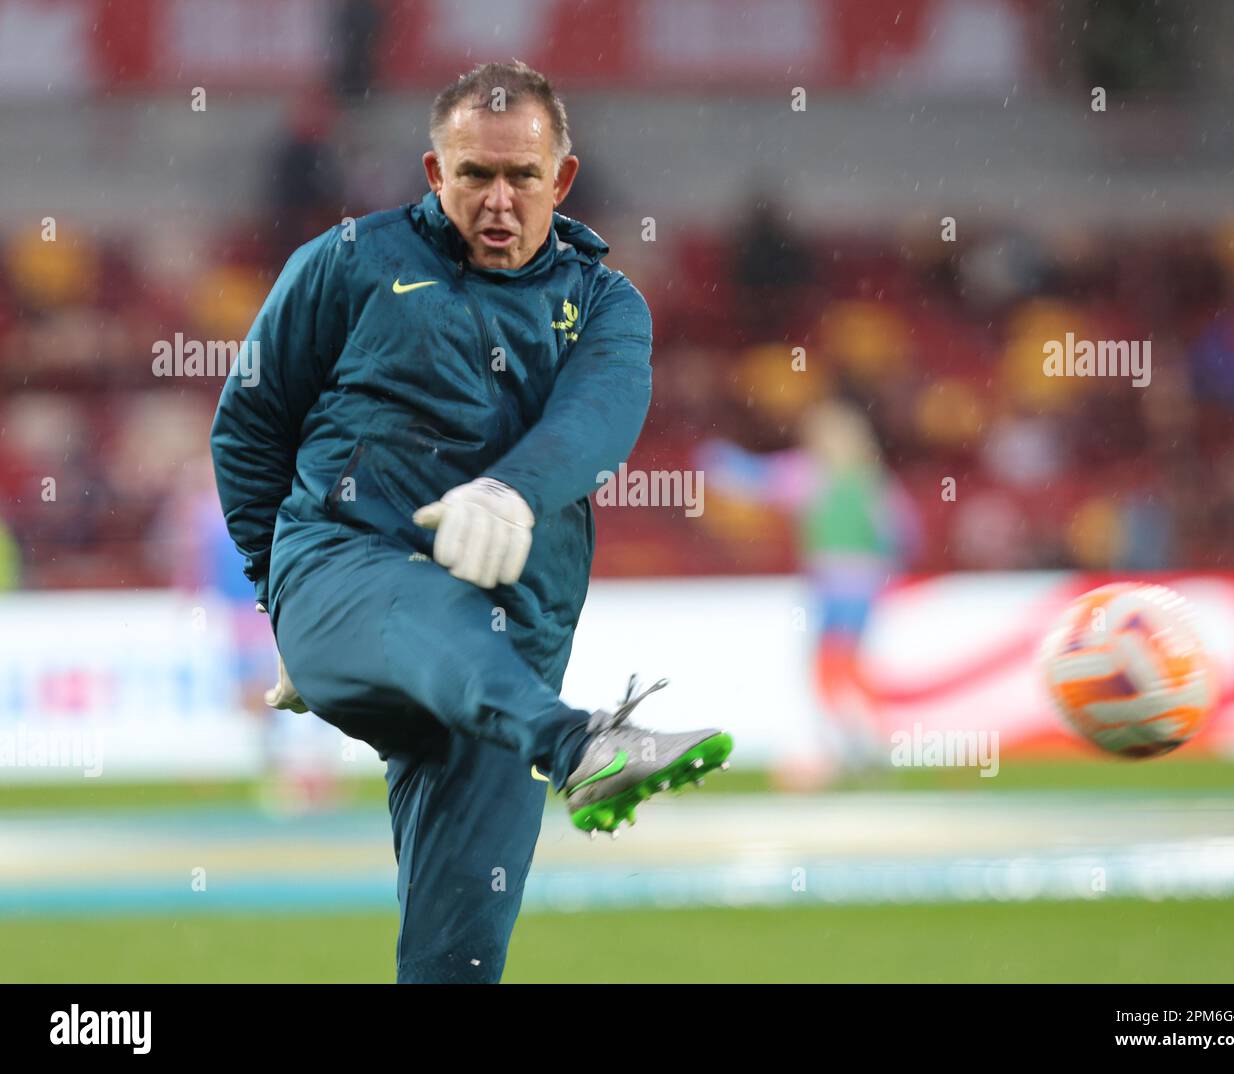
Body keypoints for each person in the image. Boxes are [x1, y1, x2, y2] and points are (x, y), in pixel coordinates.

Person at [210, 62, 732, 984]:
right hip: (344, 570)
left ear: (561, 181)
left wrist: (511, 492)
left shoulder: (607, 307)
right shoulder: (347, 261)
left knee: (457, 963)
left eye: (522, 177)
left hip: (507, 662)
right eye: (473, 176)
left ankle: (559, 738)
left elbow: (597, 421)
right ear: (432, 172)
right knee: (414, 604)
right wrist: (278, 596)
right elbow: (250, 428)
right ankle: (583, 746)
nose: (498, 200)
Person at [700, 399, 917, 787]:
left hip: (847, 589)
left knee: (835, 666)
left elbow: (757, 478)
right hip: (848, 586)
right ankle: (857, 743)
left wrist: (720, 459)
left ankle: (858, 744)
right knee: (837, 668)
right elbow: (901, 535)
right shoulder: (861, 480)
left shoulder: (824, 476)